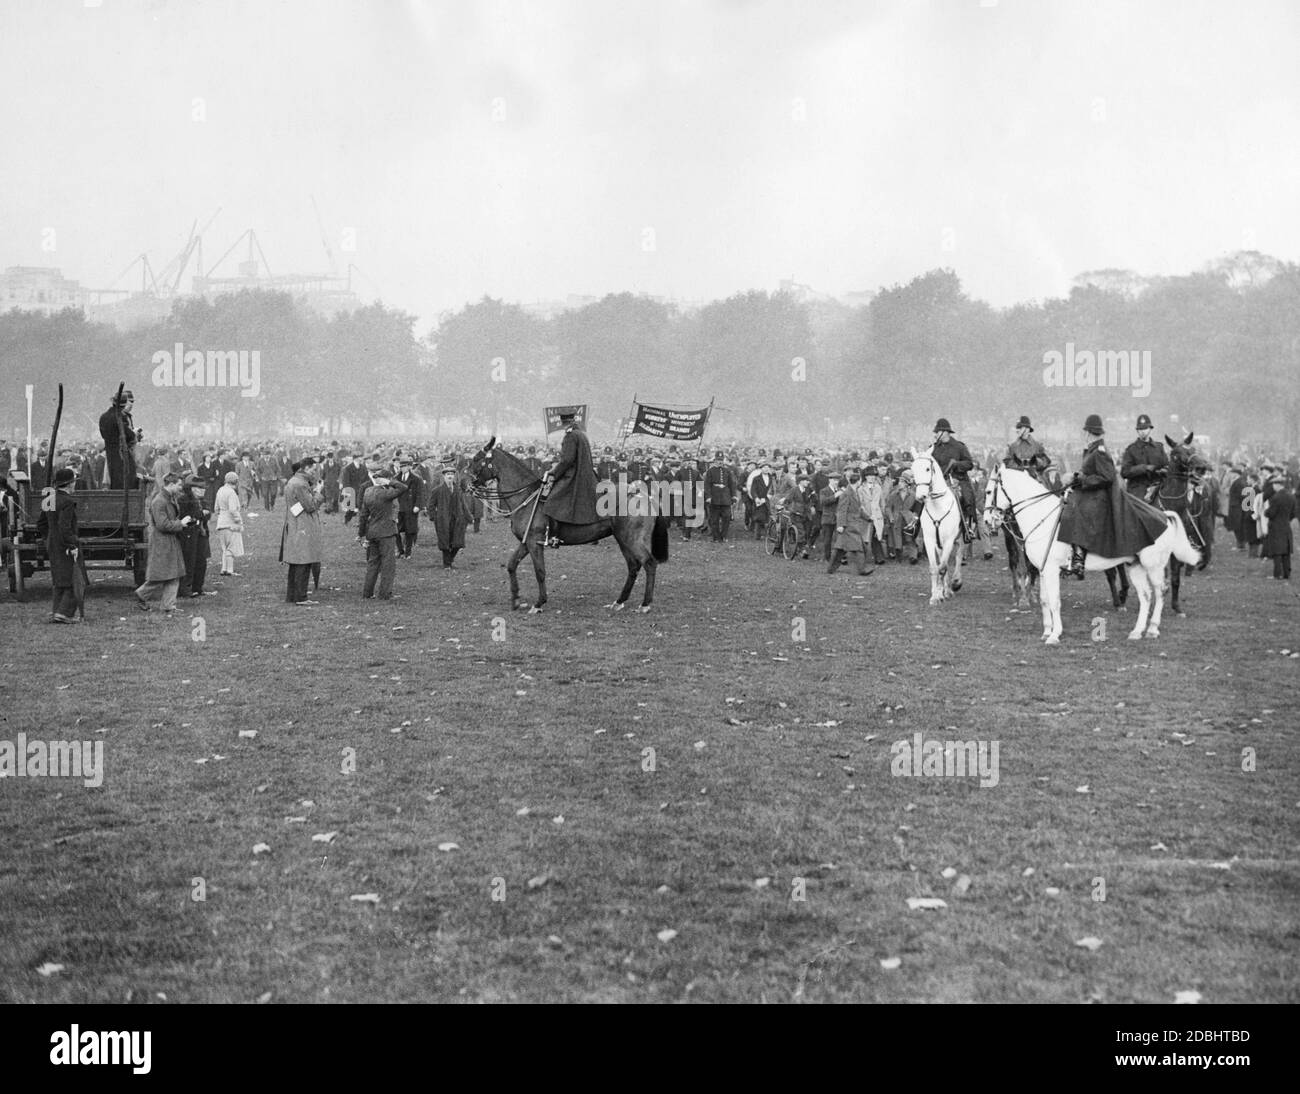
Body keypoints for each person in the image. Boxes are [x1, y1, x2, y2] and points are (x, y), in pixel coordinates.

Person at [1057, 413, 1168, 579]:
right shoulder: (1093, 449)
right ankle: (1071, 554)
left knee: (1077, 509)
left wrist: (1082, 479)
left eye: (1085, 432)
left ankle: (1079, 560)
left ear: (1088, 433)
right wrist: (1075, 477)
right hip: (1092, 491)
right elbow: (1091, 472)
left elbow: (1107, 477)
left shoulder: (1099, 451)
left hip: (1099, 496)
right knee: (1069, 502)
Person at [929, 418, 992, 560]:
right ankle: (916, 524)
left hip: (958, 481)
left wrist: (956, 465)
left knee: (964, 502)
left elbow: (969, 463)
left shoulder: (959, 447)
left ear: (945, 432)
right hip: (940, 482)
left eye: (937, 432)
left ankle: (966, 529)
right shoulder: (934, 448)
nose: (935, 434)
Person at [135, 473, 190, 614]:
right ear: (170, 484)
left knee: (173, 573)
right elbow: (162, 525)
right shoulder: (159, 501)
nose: (180, 488)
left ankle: (168, 606)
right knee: (161, 575)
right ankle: (142, 594)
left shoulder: (167, 498)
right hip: (162, 542)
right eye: (178, 485)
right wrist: (181, 523)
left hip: (169, 540)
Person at [542, 410, 599, 548]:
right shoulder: (581, 434)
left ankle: (554, 536)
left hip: (573, 475)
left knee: (552, 501)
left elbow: (567, 460)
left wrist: (553, 473)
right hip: (584, 474)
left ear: (563, 423)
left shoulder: (570, 436)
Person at [35, 466, 80, 623]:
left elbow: (41, 523)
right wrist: (72, 545)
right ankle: (65, 613)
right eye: (74, 482)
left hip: (53, 543)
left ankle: (56, 611)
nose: (74, 485)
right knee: (74, 578)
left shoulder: (49, 499)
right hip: (65, 544)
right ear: (69, 484)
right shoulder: (68, 501)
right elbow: (65, 527)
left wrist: (49, 538)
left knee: (59, 578)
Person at [358, 462, 407, 599]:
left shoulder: (368, 492)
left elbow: (363, 515)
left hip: (372, 532)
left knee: (373, 563)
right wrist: (390, 481)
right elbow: (403, 487)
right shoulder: (386, 493)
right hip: (386, 533)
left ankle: (367, 593)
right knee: (388, 564)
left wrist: (361, 534)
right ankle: (385, 593)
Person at [280, 459, 324, 605]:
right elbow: (311, 505)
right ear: (305, 468)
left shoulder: (293, 481)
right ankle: (301, 597)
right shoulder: (300, 484)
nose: (314, 472)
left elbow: (298, 505)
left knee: (296, 562)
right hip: (303, 525)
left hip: (296, 524)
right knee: (304, 562)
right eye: (312, 470)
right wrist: (318, 492)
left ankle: (292, 596)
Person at [827, 466, 875, 576]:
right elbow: (841, 510)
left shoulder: (854, 492)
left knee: (840, 548)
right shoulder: (847, 494)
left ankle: (830, 569)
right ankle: (862, 569)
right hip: (848, 525)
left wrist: (868, 517)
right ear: (858, 482)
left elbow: (858, 510)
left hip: (852, 525)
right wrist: (840, 525)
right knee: (858, 548)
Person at [428, 457, 471, 567]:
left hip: (457, 519)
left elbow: (463, 504)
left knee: (457, 542)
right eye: (448, 475)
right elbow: (431, 505)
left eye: (452, 475)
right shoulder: (437, 491)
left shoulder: (458, 490)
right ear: (444, 476)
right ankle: (447, 564)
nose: (450, 477)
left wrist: (468, 517)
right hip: (443, 520)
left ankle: (450, 560)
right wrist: (434, 517)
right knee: (445, 542)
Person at [177, 474, 213, 598]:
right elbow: (188, 517)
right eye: (199, 488)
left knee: (201, 561)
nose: (202, 490)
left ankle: (198, 587)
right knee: (189, 561)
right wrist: (200, 514)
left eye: (203, 488)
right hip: (188, 535)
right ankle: (186, 588)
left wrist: (201, 514)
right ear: (191, 488)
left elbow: (208, 514)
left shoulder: (202, 500)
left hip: (201, 534)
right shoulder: (183, 499)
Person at [98, 389, 142, 489]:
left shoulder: (103, 417)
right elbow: (129, 436)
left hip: (110, 453)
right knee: (125, 480)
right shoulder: (120, 417)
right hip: (122, 455)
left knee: (112, 480)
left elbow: (103, 434)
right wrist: (134, 433)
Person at [1120, 413, 1168, 499]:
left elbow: (1166, 465)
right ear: (1137, 431)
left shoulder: (1159, 447)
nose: (1143, 431)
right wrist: (1144, 468)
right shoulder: (1131, 450)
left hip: (1157, 486)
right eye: (1140, 429)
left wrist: (1163, 470)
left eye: (1145, 428)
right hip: (1138, 488)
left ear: (1150, 429)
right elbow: (1125, 472)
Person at [1263, 472, 1295, 579]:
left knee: (1277, 551)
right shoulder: (1291, 496)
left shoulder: (1275, 498)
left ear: (1277, 485)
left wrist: (1265, 511)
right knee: (1286, 551)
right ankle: (1287, 573)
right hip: (1286, 525)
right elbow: (1293, 513)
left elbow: (1270, 513)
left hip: (1276, 527)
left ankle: (1277, 574)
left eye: (1273, 485)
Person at [704, 450, 738, 543]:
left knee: (727, 517)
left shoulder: (727, 471)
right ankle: (716, 537)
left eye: (721, 460)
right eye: (718, 459)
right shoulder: (710, 471)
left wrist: (734, 496)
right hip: (714, 498)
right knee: (714, 519)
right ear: (715, 460)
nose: (720, 461)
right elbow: (707, 485)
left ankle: (724, 536)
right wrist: (708, 497)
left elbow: (732, 485)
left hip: (726, 498)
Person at [214, 470, 244, 576]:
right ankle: (230, 570)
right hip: (230, 523)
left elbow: (216, 508)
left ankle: (224, 568)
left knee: (224, 547)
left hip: (221, 522)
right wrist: (238, 520)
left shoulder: (220, 490)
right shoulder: (231, 493)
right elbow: (232, 510)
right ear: (236, 481)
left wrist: (221, 515)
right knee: (231, 547)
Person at [395, 456, 425, 558]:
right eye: (401, 466)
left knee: (409, 531)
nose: (402, 468)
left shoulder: (416, 479)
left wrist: (417, 505)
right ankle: (400, 550)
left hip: (411, 508)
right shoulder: (396, 478)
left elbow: (420, 494)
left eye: (404, 466)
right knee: (396, 530)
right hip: (399, 508)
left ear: (409, 467)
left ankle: (408, 552)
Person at [1005, 415, 1051, 481]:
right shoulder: (1012, 446)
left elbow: (1046, 461)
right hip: (1016, 479)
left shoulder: (1037, 445)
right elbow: (1007, 462)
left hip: (1035, 479)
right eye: (1020, 429)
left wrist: (1036, 462)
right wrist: (1021, 466)